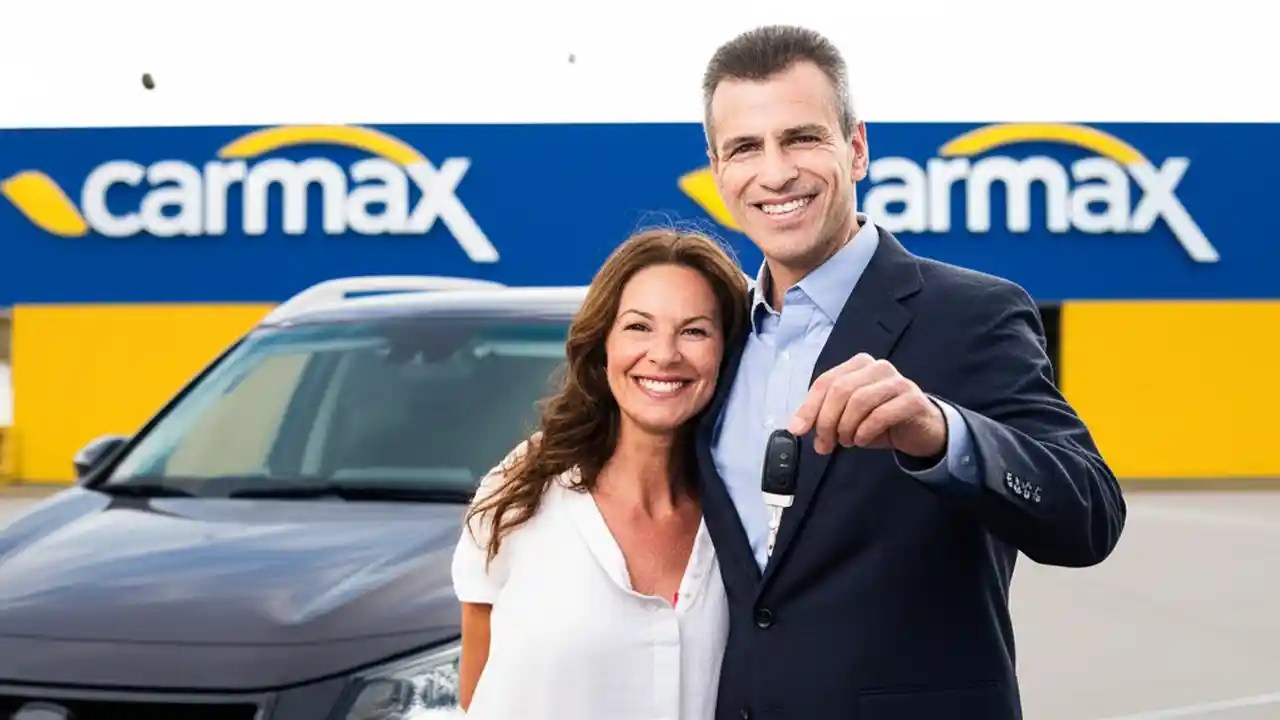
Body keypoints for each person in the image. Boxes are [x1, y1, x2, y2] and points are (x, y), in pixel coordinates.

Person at [692, 25, 1127, 719]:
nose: (775, 173)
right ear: (719, 172)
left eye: (801, 138)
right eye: (746, 147)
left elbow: (1089, 515)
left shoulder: (972, 314)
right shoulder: (714, 338)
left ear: (856, 148)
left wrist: (942, 432)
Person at [451, 227, 750, 719]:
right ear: (602, 342)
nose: (664, 354)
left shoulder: (748, 508)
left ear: (727, 350)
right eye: (638, 327)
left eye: (694, 330)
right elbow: (478, 696)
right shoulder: (518, 493)